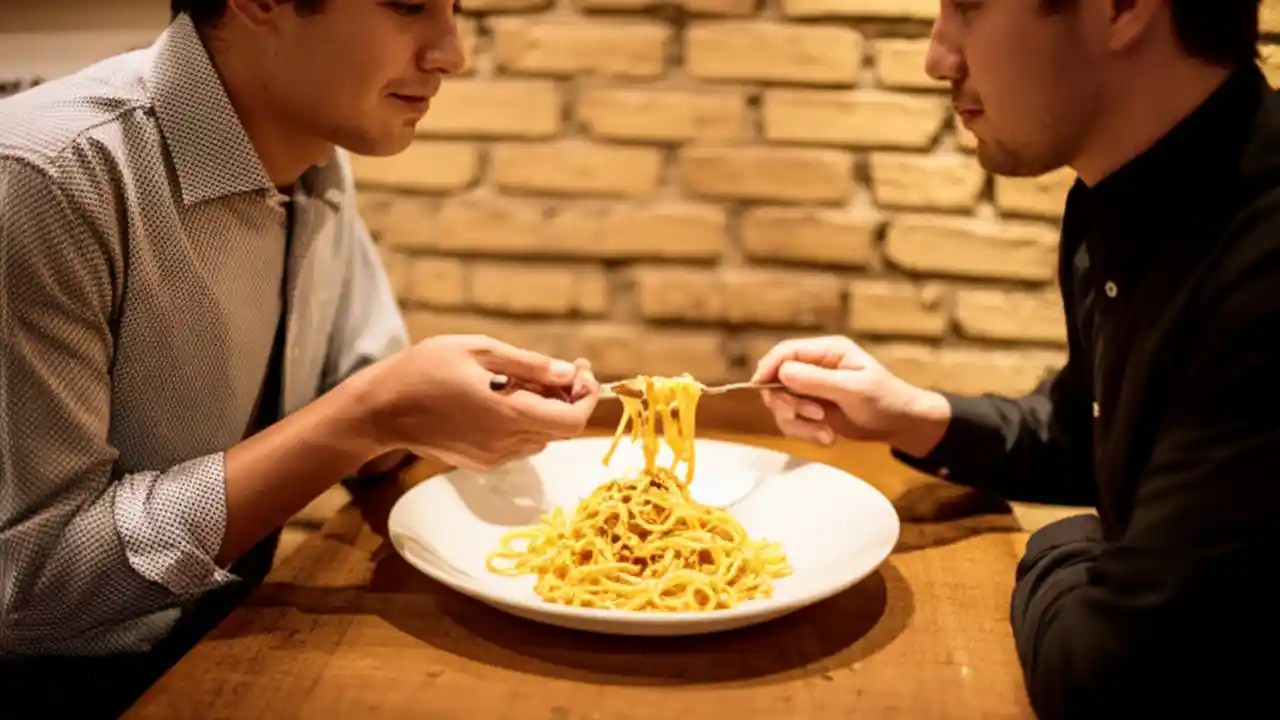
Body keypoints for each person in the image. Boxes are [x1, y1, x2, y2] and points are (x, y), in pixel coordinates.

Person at [0, 1, 599, 715]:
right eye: (410, 5)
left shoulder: (315, 153)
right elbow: (33, 592)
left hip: (229, 655)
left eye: (456, 8)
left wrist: (451, 408)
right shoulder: (46, 176)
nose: (452, 53)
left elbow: (358, 392)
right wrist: (371, 415)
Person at [753, 1, 1277, 718]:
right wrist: (914, 416)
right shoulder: (1121, 196)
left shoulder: (1262, 267)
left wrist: (1070, 541)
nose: (937, 58)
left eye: (968, 6)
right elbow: (1096, 434)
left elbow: (1110, 675)